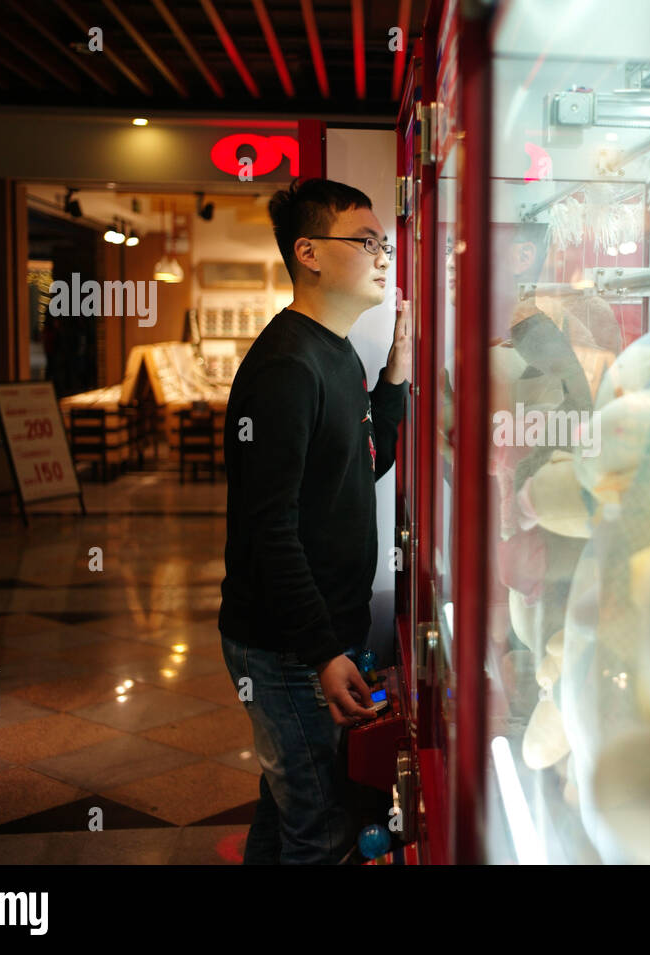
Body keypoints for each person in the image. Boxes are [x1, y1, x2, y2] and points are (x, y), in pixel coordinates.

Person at [218, 177, 411, 864]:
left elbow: (367, 460)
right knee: (321, 826)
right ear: (310, 253)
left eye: (382, 242)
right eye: (365, 241)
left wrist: (396, 375)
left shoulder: (334, 350)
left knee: (290, 800)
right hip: (285, 646)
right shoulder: (287, 366)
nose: (383, 255)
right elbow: (271, 530)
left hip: (316, 635)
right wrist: (321, 651)